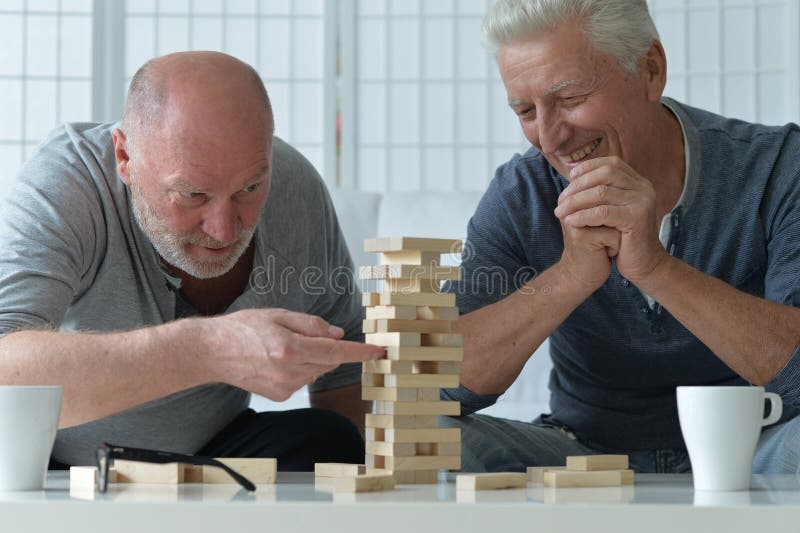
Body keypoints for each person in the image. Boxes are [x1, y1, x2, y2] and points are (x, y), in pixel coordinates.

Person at [442, 0, 800, 474]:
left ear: (651, 70)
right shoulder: (521, 192)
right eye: (526, 110)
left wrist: (654, 268)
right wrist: (570, 276)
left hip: (750, 449)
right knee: (433, 442)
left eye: (569, 98)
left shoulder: (778, 167)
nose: (548, 138)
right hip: (585, 452)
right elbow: (434, 387)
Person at [0, 51, 383, 469]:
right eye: (193, 195)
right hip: (52, 461)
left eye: (249, 188)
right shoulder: (68, 184)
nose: (223, 230)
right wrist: (211, 348)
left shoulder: (295, 187)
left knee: (329, 439)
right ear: (125, 158)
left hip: (211, 452)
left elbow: (347, 363)